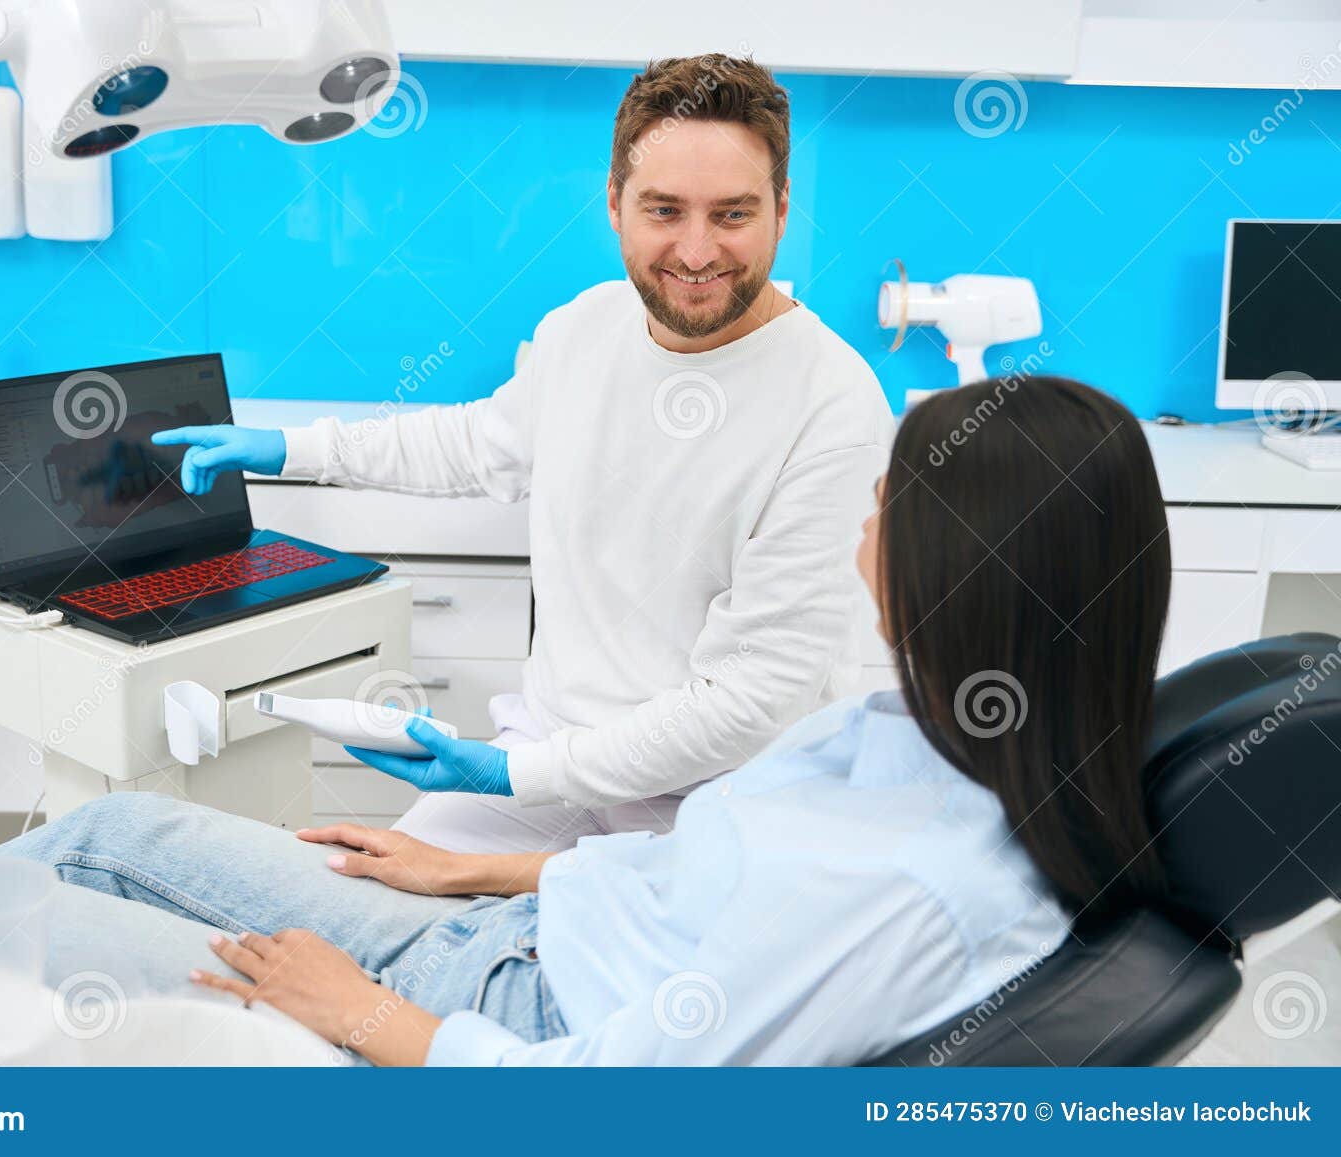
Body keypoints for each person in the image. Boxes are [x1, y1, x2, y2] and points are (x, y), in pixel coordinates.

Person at [0, 375, 1174, 1065]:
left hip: (496, 1023)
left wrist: (358, 1008)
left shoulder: (917, 885)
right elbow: (469, 439)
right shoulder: (928, 730)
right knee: (109, 827)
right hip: (524, 926)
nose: (864, 529)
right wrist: (487, 867)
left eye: (884, 506)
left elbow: (614, 1103)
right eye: (661, 210)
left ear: (953, 562)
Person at [150, 54, 895, 854]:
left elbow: (748, 703)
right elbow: (478, 443)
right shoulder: (586, 326)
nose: (696, 248)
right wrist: (291, 448)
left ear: (783, 209)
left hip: (715, 807)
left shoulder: (833, 408)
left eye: (732, 214)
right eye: (664, 209)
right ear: (614, 204)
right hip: (550, 758)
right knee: (368, 903)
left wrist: (516, 775)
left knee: (549, 970)